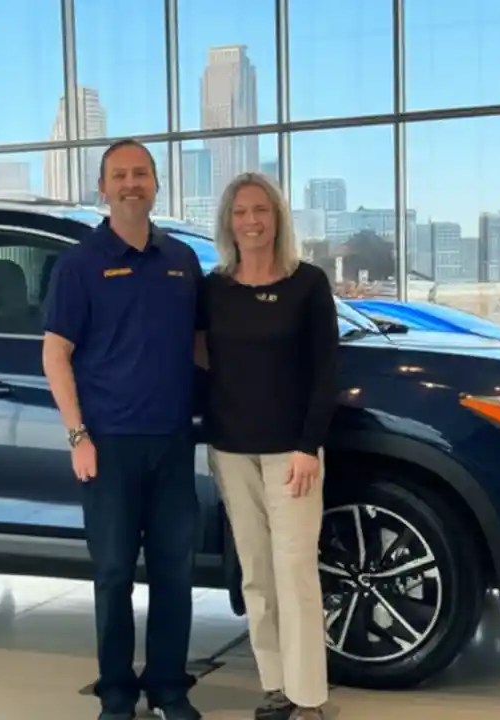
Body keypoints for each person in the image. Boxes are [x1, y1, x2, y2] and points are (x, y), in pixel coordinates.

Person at [41, 139, 206, 720]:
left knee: (174, 575)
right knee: (113, 575)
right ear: (103, 189)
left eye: (141, 174)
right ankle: (116, 691)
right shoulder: (80, 265)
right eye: (120, 175)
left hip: (172, 442)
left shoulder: (182, 261)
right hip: (107, 447)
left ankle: (168, 688)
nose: (131, 184)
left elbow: (201, 346)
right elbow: (56, 354)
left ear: (156, 184)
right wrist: (77, 435)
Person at [198, 172, 339, 720]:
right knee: (256, 572)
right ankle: (276, 684)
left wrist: (309, 446)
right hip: (232, 450)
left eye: (260, 210)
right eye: (239, 212)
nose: (250, 221)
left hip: (292, 454)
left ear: (277, 217)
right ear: (227, 222)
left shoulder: (308, 283)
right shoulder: (214, 288)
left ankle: (308, 697)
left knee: (296, 570)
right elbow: (196, 353)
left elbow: (326, 370)